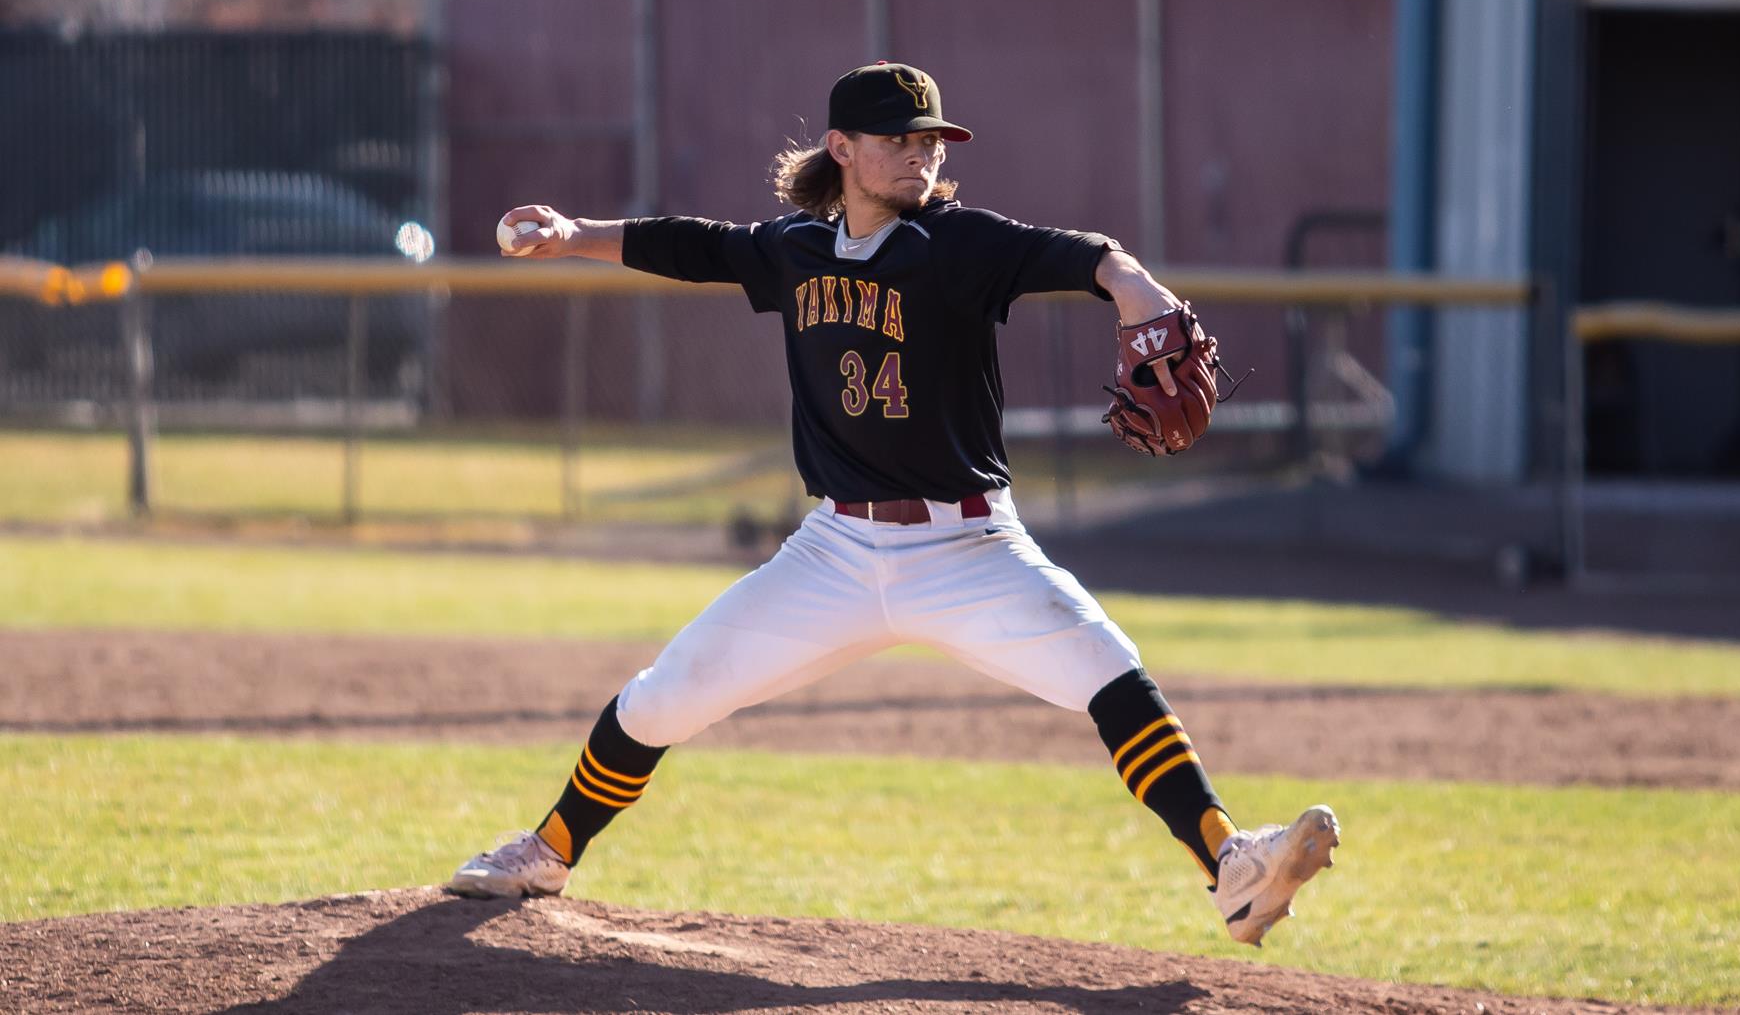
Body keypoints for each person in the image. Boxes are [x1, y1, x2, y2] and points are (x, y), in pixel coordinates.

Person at [444, 62, 1339, 946]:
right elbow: (692, 246)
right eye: (898, 139)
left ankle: (1231, 864)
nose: (920, 155)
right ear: (841, 148)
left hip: (970, 546)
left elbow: (1080, 254)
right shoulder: (794, 249)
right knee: (664, 695)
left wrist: (1132, 285)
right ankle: (550, 849)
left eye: (930, 140)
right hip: (832, 552)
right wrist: (570, 232)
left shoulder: (957, 243)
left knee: (1109, 667)